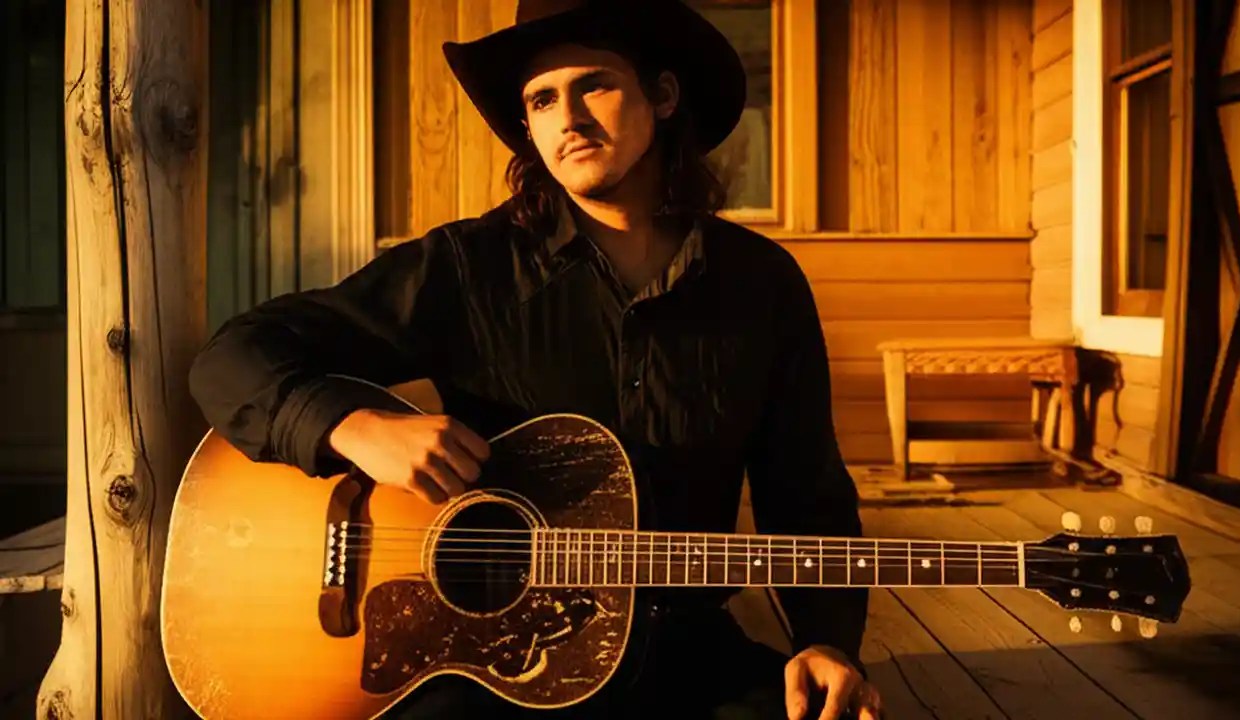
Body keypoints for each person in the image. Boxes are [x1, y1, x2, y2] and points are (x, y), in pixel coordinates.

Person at [187, 1, 881, 718]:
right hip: (485, 661)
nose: (568, 118)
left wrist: (827, 641)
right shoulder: (468, 268)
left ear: (664, 97)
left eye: (595, 85)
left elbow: (807, 494)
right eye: (542, 100)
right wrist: (352, 426)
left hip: (681, 652)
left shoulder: (760, 285)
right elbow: (231, 358)